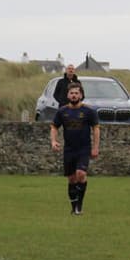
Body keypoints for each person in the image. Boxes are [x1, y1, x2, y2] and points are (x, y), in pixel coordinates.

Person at [49, 81, 99, 215]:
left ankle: (79, 206)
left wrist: (95, 148)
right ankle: (73, 207)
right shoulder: (62, 111)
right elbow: (54, 127)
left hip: (84, 148)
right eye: (72, 93)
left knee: (81, 174)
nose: (74, 95)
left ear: (81, 95)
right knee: (71, 178)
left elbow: (96, 129)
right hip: (69, 149)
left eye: (76, 93)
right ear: (68, 95)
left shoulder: (89, 111)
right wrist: (53, 141)